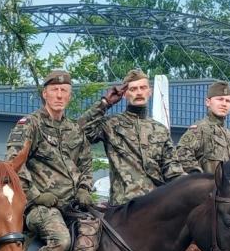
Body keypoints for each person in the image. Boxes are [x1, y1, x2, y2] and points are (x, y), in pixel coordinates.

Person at [5, 70, 95, 251]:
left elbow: (86, 165)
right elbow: (13, 165)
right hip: (41, 207)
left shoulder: (73, 129)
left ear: (69, 95)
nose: (59, 94)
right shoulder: (29, 125)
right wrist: (35, 196)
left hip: (74, 204)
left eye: (64, 90)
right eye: (54, 90)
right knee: (61, 240)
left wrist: (85, 188)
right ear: (44, 93)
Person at [77, 68, 183, 205]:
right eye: (133, 89)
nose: (139, 92)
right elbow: (78, 132)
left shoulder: (160, 129)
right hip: (124, 207)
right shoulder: (112, 125)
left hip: (156, 205)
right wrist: (104, 103)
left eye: (143, 88)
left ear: (149, 92)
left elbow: (172, 170)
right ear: (125, 94)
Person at [175, 81, 230, 174]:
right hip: (207, 187)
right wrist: (199, 177)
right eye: (220, 99)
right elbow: (181, 154)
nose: (224, 104)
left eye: (228, 101)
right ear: (208, 102)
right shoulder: (199, 130)